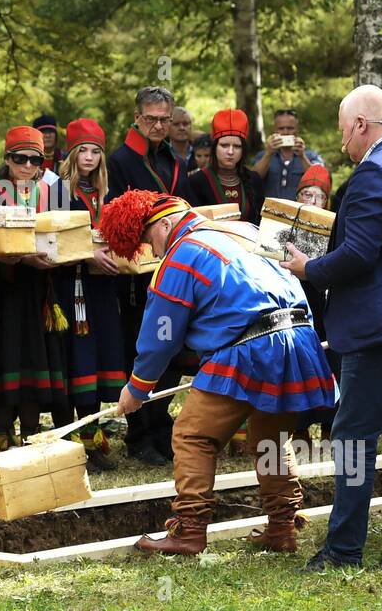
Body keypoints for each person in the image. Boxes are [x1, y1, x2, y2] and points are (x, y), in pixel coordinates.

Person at [101, 191, 334, 555]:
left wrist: (137, 388)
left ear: (165, 223)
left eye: (150, 240)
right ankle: (283, 528)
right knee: (270, 440)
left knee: (193, 434)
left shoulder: (181, 255)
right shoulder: (246, 229)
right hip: (299, 338)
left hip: (249, 347)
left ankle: (189, 530)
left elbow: (161, 335)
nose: (153, 251)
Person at [280, 85, 382, 571]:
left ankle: (343, 550)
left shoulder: (374, 172)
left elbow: (360, 254)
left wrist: (308, 268)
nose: (343, 140)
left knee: (352, 441)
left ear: (362, 125)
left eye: (344, 130)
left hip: (378, 329)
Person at [106, 85, 193, 465]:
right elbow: (115, 217)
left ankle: (160, 425)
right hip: (136, 274)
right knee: (142, 348)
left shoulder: (174, 159)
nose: (159, 125)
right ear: (137, 118)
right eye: (151, 119)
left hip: (174, 263)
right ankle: (139, 434)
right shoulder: (120, 159)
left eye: (165, 120)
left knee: (173, 348)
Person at [0, 126, 73, 446]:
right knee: (6, 355)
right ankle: (4, 431)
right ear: (7, 158)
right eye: (21, 158)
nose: (29, 166)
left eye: (36, 160)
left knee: (36, 356)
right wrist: (18, 257)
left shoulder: (56, 192)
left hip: (41, 289)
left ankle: (31, 430)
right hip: (2, 289)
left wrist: (57, 258)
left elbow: (64, 235)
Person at [54, 118, 125, 472]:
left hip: (100, 287)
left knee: (98, 359)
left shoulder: (105, 193)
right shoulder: (57, 191)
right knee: (74, 358)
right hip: (69, 288)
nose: (89, 157)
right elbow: (50, 238)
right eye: (83, 150)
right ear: (71, 153)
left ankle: (93, 437)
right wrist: (87, 253)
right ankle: (68, 439)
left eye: (95, 151)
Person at [291, 163, 338, 445]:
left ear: (326, 201)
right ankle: (299, 427)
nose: (310, 201)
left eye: (317, 196)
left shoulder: (336, 226)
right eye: (306, 194)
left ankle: (331, 425)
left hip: (324, 306)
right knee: (298, 365)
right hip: (294, 304)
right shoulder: (283, 223)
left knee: (327, 363)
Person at [188, 109, 264, 224]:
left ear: (243, 150)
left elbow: (261, 221)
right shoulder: (197, 181)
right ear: (214, 148)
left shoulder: (254, 179)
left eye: (237, 146)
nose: (230, 152)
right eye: (224, 145)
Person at [251, 108, 325, 201]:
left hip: (299, 211)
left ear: (297, 129)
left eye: (290, 128)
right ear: (275, 130)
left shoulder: (310, 156)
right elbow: (253, 179)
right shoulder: (264, 156)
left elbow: (320, 182)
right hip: (269, 211)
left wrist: (302, 157)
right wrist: (268, 154)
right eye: (281, 128)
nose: (285, 132)